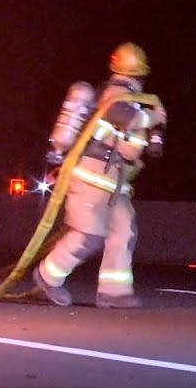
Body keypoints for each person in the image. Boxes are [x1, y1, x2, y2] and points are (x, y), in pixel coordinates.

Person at [33, 42, 167, 309]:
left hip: (113, 180)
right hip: (92, 176)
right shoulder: (117, 94)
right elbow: (125, 118)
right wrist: (154, 117)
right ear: (139, 74)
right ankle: (48, 276)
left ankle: (114, 291)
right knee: (88, 235)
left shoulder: (131, 98)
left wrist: (153, 129)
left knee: (124, 229)